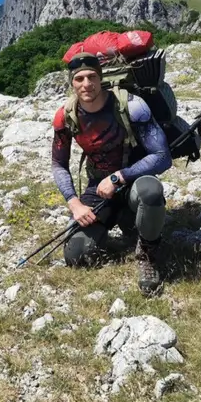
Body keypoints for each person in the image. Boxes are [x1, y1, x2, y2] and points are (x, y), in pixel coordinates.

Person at [51, 52, 172, 295]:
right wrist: (74, 203)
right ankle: (123, 220)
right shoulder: (66, 116)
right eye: (79, 79)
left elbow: (162, 156)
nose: (86, 84)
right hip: (98, 187)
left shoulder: (131, 106)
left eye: (92, 77)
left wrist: (119, 177)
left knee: (150, 191)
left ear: (101, 77)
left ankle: (147, 255)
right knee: (77, 256)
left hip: (133, 180)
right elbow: (58, 163)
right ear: (72, 82)